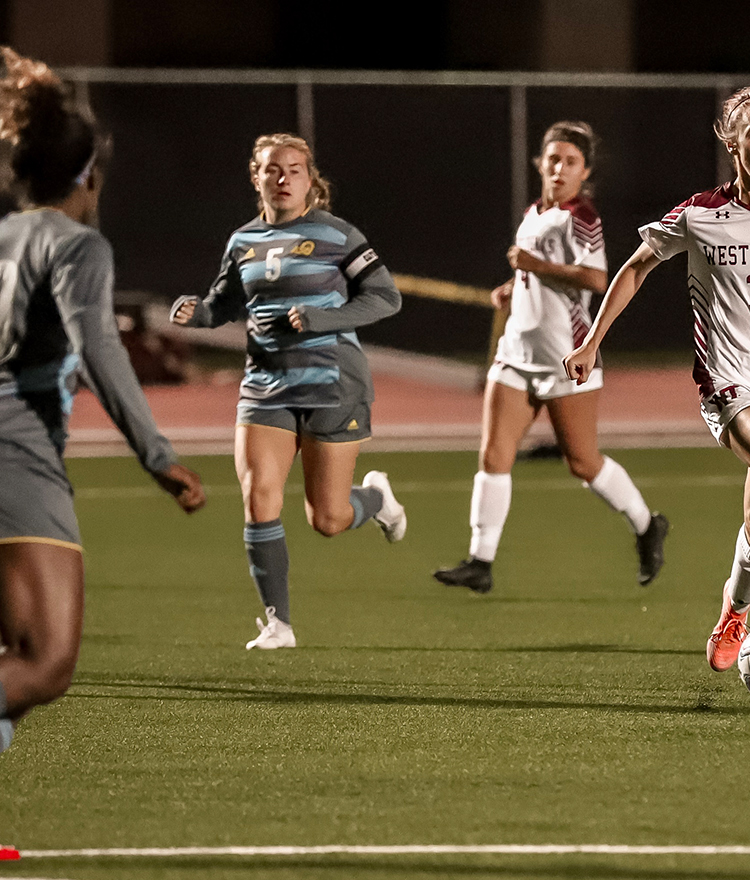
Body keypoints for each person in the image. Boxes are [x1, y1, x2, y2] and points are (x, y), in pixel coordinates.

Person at [563, 86, 750, 672]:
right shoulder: (700, 214)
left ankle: (734, 608)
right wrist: (592, 340)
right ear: (731, 141)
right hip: (729, 382)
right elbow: (635, 268)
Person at [0, 48, 206, 752]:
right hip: (14, 454)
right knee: (45, 662)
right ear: (89, 175)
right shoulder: (77, 246)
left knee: (14, 664)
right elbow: (99, 346)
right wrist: (158, 455)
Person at [170, 133, 403, 650]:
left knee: (328, 518)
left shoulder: (338, 235)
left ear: (308, 179)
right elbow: (225, 302)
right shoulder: (243, 242)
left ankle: (375, 499)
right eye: (273, 170)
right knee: (258, 498)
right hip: (265, 388)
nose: (283, 179)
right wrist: (200, 313)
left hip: (333, 385)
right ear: (257, 178)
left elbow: (387, 297)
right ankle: (279, 624)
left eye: (294, 170)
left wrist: (324, 318)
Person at [433, 121, 667, 595]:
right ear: (541, 164)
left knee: (583, 463)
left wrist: (536, 268)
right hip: (516, 355)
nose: (559, 168)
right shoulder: (533, 212)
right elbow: (539, 277)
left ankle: (647, 525)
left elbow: (596, 278)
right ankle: (481, 561)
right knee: (494, 455)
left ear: (585, 172)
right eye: (553, 159)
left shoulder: (581, 215)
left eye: (570, 162)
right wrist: (514, 286)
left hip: (567, 358)